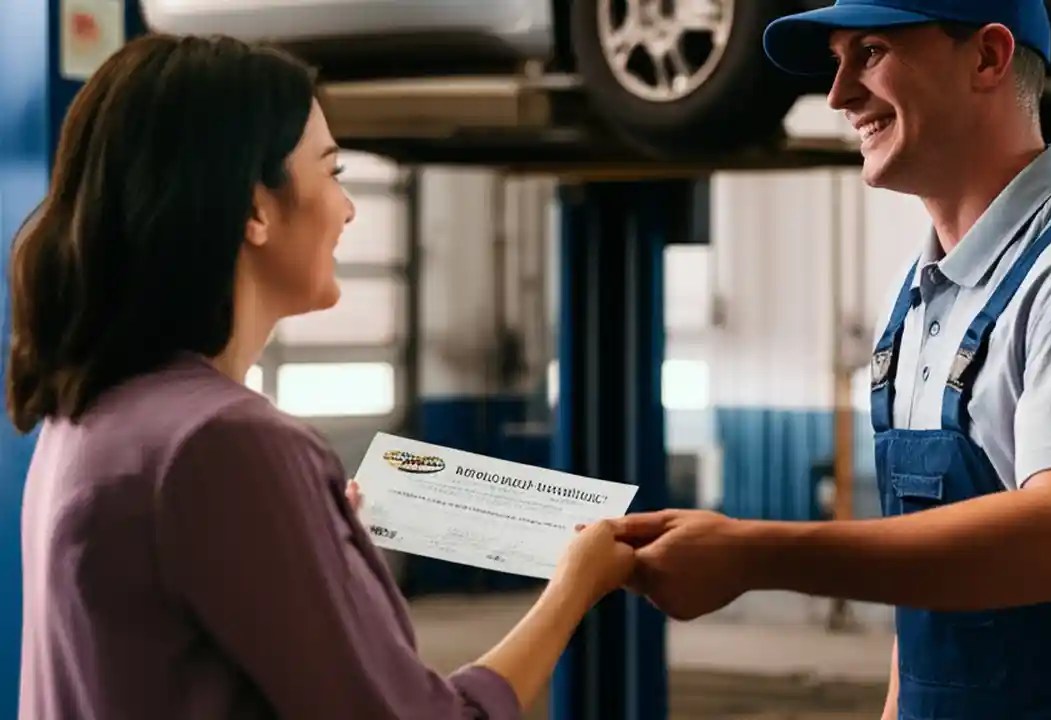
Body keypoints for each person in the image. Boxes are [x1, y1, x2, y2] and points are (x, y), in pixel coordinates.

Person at [8, 33, 634, 720]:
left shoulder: (93, 413)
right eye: (332, 171)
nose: (348, 208)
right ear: (254, 208)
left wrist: (312, 536)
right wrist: (577, 585)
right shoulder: (228, 442)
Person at [618, 1, 1051, 718]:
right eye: (836, 61)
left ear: (989, 58)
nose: (837, 95)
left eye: (869, 52)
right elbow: (931, 588)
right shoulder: (922, 293)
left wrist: (756, 555)